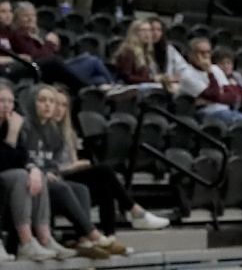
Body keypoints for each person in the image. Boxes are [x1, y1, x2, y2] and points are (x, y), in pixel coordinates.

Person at [20, 86, 128, 257]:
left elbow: (52, 162)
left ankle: (85, 240)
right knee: (64, 187)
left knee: (81, 189)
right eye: (42, 101)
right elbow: (20, 156)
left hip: (46, 178)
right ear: (32, 103)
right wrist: (41, 171)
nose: (48, 106)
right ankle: (95, 235)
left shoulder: (54, 131)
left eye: (51, 101)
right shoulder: (24, 126)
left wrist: (50, 170)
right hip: (26, 179)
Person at [42, 87, 166, 235]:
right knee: (104, 170)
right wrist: (73, 166)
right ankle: (135, 211)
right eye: (57, 104)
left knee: (105, 188)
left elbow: (73, 162)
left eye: (64, 106)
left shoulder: (69, 133)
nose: (59, 110)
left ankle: (110, 237)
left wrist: (76, 166)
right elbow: (48, 166)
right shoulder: (44, 131)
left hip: (70, 176)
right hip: (56, 176)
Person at [0, 83, 64, 261]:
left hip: (8, 177)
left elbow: (21, 156)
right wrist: (12, 134)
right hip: (5, 175)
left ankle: (45, 239)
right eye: (1, 101)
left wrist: (34, 169)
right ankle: (26, 242)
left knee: (36, 175)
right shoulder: (12, 127)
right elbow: (4, 163)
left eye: (10, 101)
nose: (6, 105)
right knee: (21, 176)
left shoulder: (8, 124)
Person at [10, 3, 116, 90]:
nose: (30, 19)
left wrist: (53, 46)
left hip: (60, 70)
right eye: (25, 16)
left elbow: (54, 53)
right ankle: (112, 86)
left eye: (33, 15)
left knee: (99, 79)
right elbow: (39, 56)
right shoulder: (18, 36)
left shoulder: (40, 34)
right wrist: (50, 44)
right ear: (16, 19)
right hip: (46, 73)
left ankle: (107, 89)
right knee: (92, 60)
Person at [176, 38, 242, 126]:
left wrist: (217, 96)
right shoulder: (188, 75)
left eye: (208, 52)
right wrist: (210, 74)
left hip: (227, 111)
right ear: (191, 54)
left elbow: (232, 96)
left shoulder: (215, 69)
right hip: (206, 113)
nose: (206, 56)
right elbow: (215, 95)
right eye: (201, 52)